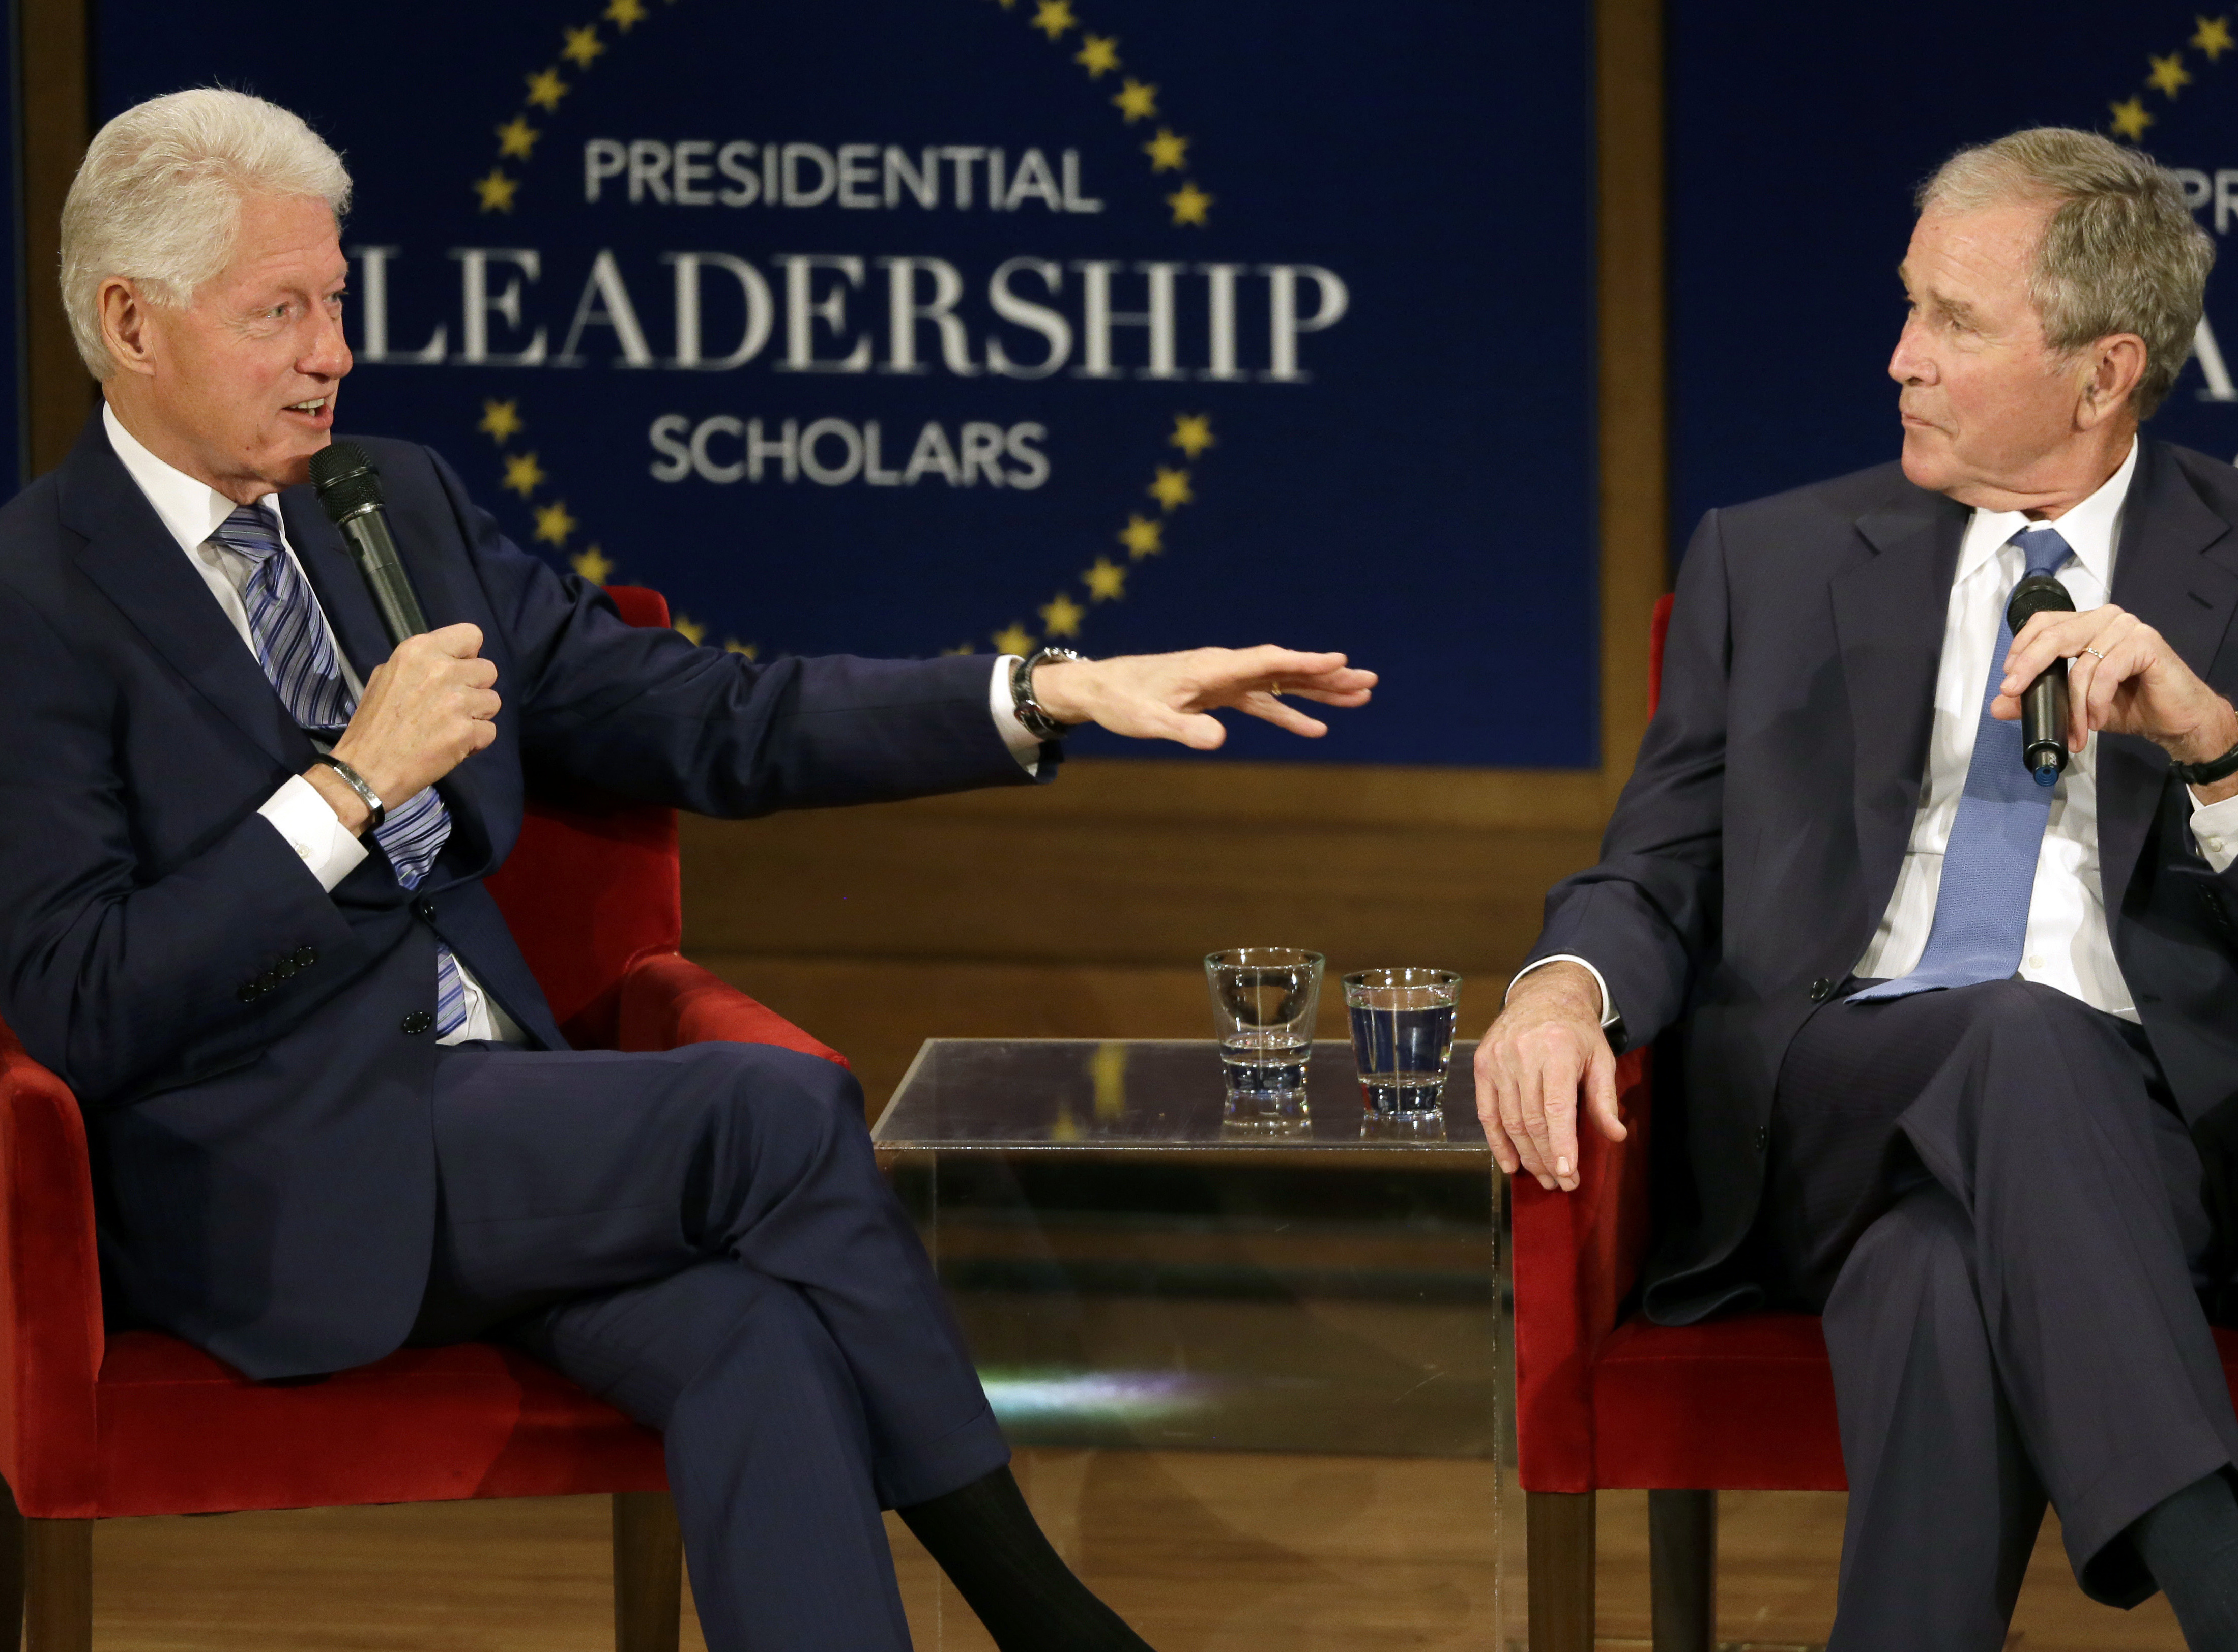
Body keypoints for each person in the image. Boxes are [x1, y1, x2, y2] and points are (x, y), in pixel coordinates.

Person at [0, 88, 1377, 1652]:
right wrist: (348, 786)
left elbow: (717, 716)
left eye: (337, 301)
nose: (334, 351)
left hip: (518, 1136)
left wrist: (1049, 689)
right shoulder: (36, 597)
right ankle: (1050, 1616)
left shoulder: (392, 503)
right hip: (271, 1178)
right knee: (770, 1105)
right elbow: (81, 999)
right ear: (132, 320)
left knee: (755, 1339)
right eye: (282, 313)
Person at [1476, 127, 2238, 1649]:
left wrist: (2220, 757)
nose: (1901, 358)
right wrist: (1561, 983)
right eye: (1909, 308)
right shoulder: (1777, 560)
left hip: (2147, 1150)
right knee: (2011, 1033)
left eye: (1954, 324)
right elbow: (1658, 866)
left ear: (2104, 373)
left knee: (1938, 1274)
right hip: (1822, 1109)